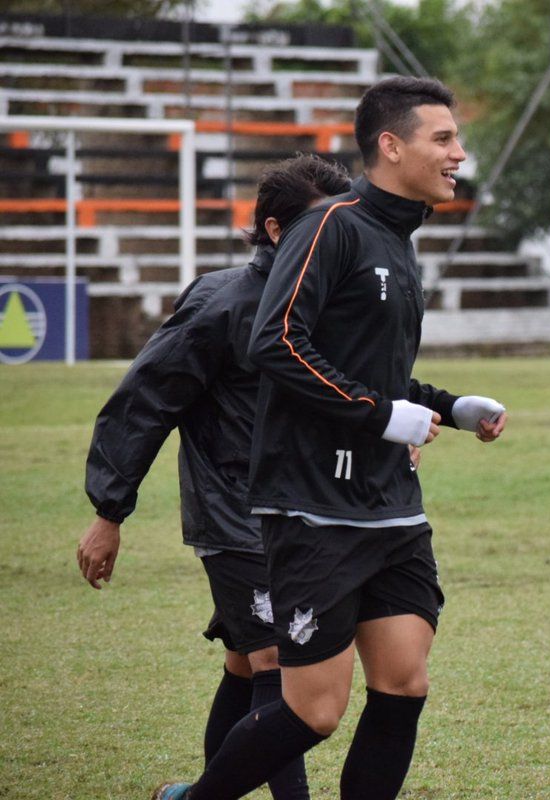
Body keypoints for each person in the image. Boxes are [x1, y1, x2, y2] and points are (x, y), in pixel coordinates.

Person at [152, 75, 508, 800]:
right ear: (391, 144)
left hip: (391, 506)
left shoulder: (399, 243)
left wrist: (449, 405)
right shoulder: (332, 226)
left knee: (404, 683)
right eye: (443, 139)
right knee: (315, 709)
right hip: (315, 510)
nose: (458, 154)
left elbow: (370, 372)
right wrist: (381, 417)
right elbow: (276, 343)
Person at [78, 153, 354, 800]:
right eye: (323, 227)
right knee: (281, 670)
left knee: (244, 663)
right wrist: (108, 511)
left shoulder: (326, 304)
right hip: (233, 511)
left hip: (301, 511)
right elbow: (144, 401)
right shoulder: (223, 301)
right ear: (278, 230)